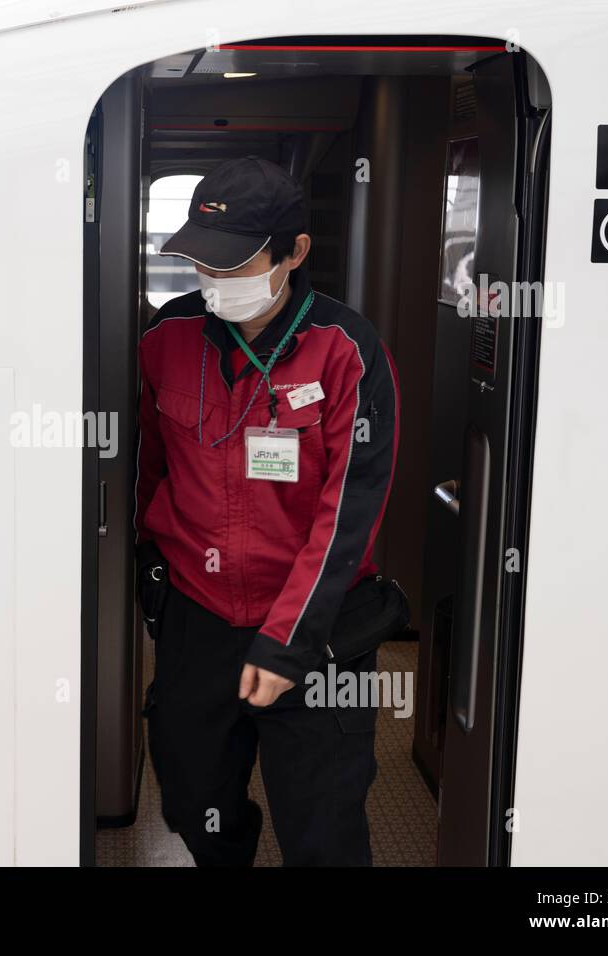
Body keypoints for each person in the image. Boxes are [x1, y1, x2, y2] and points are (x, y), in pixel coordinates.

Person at [135, 155, 400, 866]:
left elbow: (350, 514)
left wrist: (288, 643)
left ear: (295, 253)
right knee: (195, 803)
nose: (216, 283)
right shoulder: (166, 340)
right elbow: (147, 470)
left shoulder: (347, 352)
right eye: (204, 266)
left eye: (237, 265)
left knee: (321, 828)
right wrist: (153, 582)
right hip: (200, 619)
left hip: (316, 628)